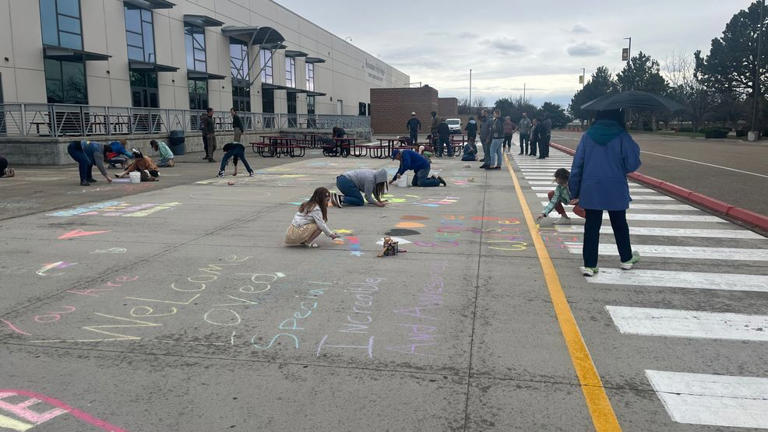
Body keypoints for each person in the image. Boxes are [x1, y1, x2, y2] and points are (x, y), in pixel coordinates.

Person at [569, 109, 641, 277]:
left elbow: (577, 166)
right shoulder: (622, 136)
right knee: (620, 224)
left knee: (592, 226)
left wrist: (575, 191)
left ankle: (590, 265)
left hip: (591, 187)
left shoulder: (587, 136)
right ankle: (626, 259)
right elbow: (632, 164)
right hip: (615, 186)